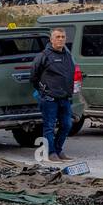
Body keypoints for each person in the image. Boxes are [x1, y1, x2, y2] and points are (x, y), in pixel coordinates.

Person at [30, 27, 76, 162]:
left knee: (67, 125)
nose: (60, 39)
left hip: (65, 98)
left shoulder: (68, 56)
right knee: (49, 127)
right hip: (49, 98)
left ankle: (58, 149)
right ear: (51, 39)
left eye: (63, 37)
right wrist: (43, 90)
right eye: (58, 37)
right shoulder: (44, 56)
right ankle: (51, 153)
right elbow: (33, 76)